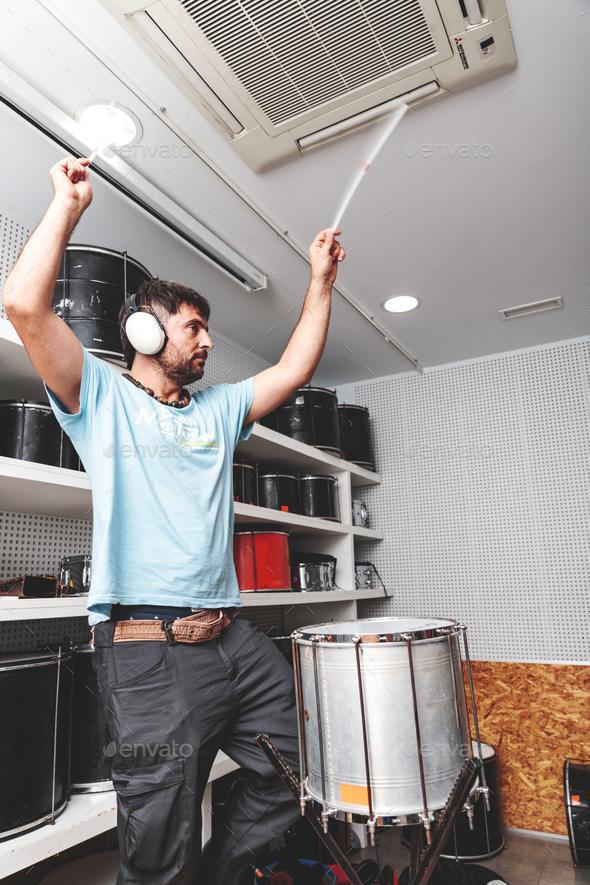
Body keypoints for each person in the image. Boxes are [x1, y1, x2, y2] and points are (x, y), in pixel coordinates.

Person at [2, 156, 345, 885]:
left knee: (300, 766)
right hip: (146, 647)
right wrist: (65, 207)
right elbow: (26, 308)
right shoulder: (99, 395)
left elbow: (293, 371)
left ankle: (216, 875)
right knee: (159, 845)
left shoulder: (218, 411)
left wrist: (320, 285)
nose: (208, 341)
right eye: (194, 328)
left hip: (234, 639)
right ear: (145, 332)